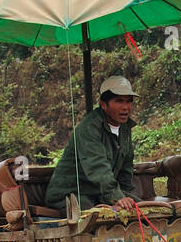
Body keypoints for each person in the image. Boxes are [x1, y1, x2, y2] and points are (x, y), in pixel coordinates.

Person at [44, 76, 140, 213]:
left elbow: (126, 168)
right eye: (118, 101)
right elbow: (97, 166)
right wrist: (117, 197)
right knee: (96, 215)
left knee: (141, 208)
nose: (125, 107)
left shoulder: (125, 128)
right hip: (71, 194)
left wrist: (125, 196)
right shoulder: (89, 128)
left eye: (129, 101)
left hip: (99, 194)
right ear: (103, 104)